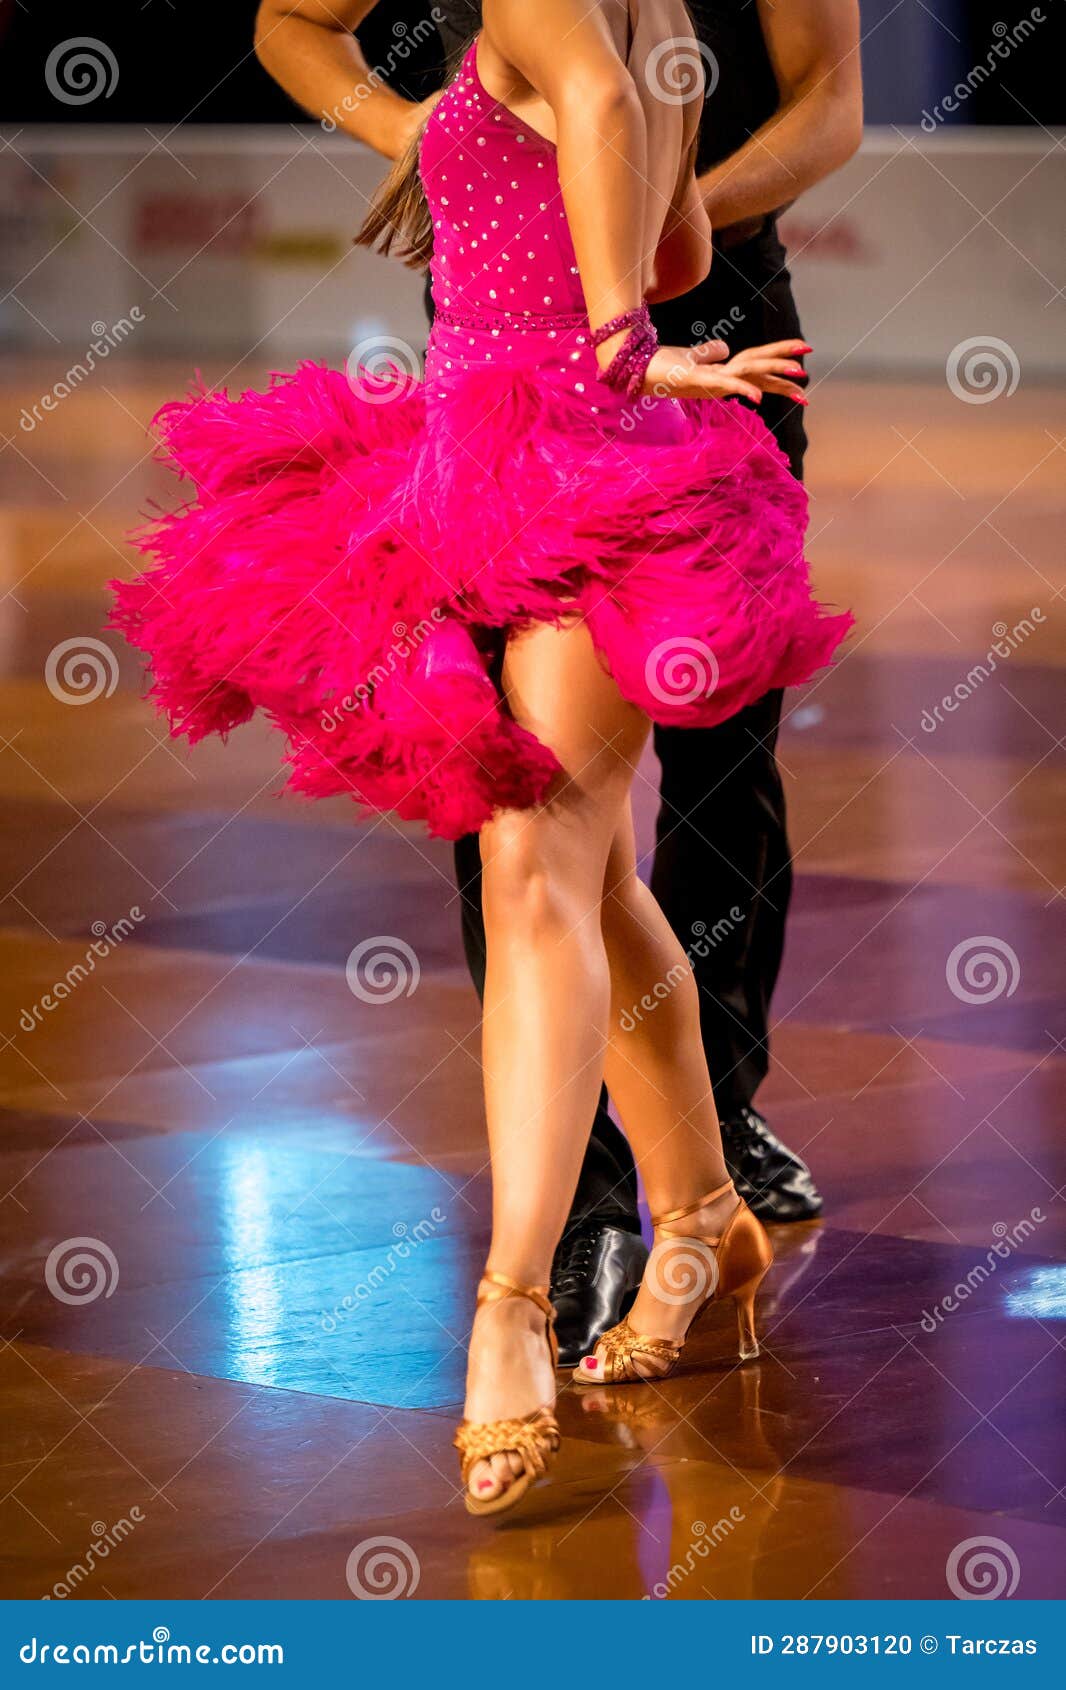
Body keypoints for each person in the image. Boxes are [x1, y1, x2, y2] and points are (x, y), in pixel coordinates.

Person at [111, 0, 851, 1516]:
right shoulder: (669, 32)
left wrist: (617, 349)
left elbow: (586, 107)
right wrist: (437, 149)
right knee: (589, 868)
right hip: (488, 458)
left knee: (530, 857)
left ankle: (508, 1305)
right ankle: (702, 1214)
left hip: (578, 448)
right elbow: (679, 238)